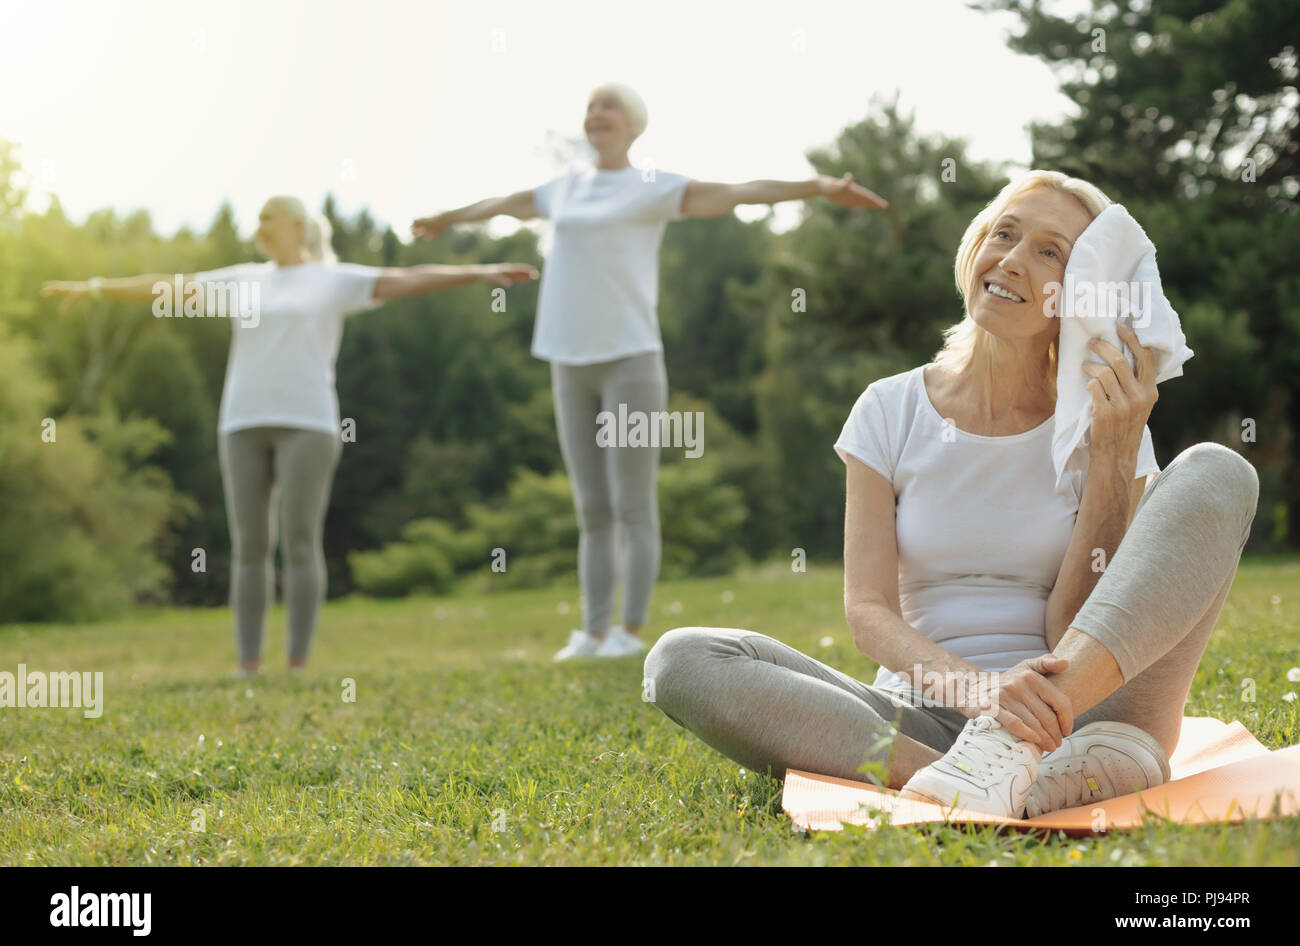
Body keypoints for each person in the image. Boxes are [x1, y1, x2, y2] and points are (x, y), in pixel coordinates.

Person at [642, 170, 1259, 819]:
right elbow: (869, 613)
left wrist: (1109, 455)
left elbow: (1071, 625)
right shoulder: (890, 408)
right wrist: (985, 696)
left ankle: (1005, 772)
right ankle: (987, 781)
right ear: (976, 247)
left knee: (1218, 469)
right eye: (1005, 233)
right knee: (684, 659)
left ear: (1082, 293)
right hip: (925, 715)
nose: (1013, 260)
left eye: (1050, 252)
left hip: (1086, 710)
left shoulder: (1107, 422)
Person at [412, 82, 889, 662]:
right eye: (590, 108)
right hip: (568, 360)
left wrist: (815, 187)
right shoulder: (563, 187)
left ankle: (628, 632)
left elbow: (737, 191)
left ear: (634, 124)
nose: (597, 116)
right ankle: (589, 632)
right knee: (590, 506)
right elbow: (500, 205)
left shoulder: (651, 186)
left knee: (632, 501)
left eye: (609, 107)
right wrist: (443, 218)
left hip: (631, 361)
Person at [43, 195, 538, 676]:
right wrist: (94, 286)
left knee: (300, 541)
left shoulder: (332, 280)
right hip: (241, 422)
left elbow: (406, 278)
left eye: (269, 217)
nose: (259, 224)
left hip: (310, 422)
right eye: (257, 217)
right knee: (251, 545)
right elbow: (167, 287)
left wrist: (477, 272)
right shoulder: (242, 280)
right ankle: (248, 663)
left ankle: (298, 663)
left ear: (298, 226)